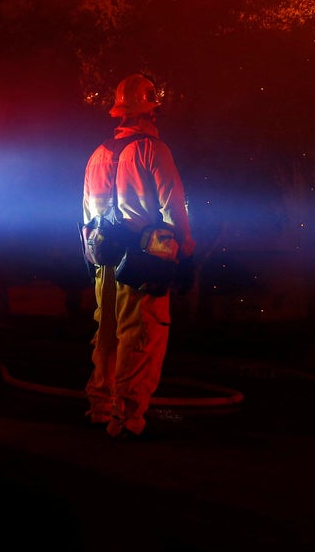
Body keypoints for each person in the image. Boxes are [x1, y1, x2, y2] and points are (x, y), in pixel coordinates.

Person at [82, 73, 195, 440]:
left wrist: (94, 260)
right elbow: (173, 208)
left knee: (107, 336)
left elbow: (87, 215)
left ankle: (100, 408)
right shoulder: (152, 151)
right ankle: (126, 421)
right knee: (141, 337)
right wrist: (185, 251)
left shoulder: (97, 155)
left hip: (104, 261)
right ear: (149, 110)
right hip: (145, 260)